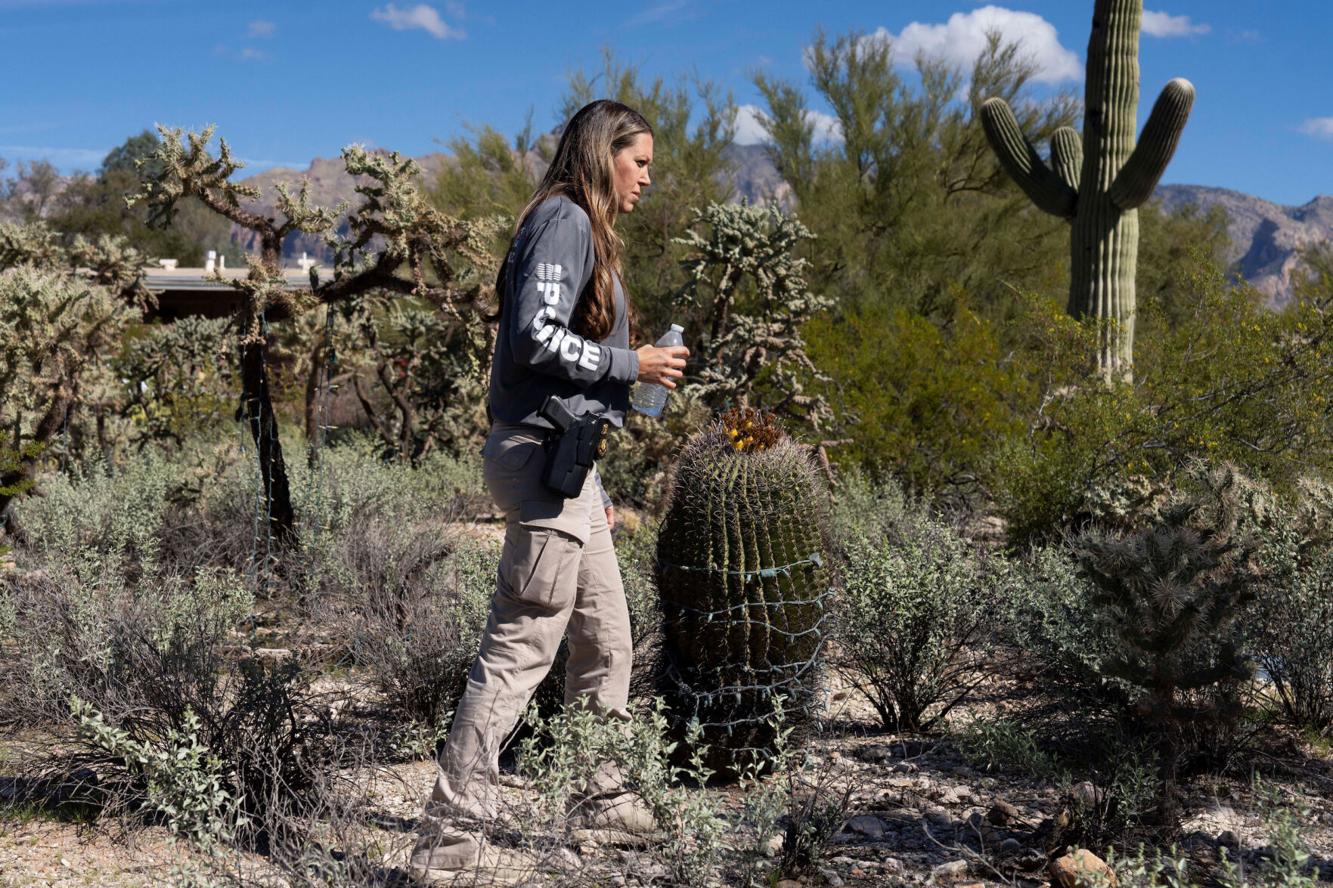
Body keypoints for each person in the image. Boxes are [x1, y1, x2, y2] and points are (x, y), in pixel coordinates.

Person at [410, 99, 690, 883]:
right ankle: (447, 844)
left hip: (569, 464)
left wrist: (595, 469)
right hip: (543, 459)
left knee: (606, 636)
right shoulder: (564, 219)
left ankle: (599, 802)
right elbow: (535, 335)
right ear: (605, 156)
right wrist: (635, 366)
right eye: (640, 163)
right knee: (521, 648)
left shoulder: (580, 226)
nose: (646, 179)